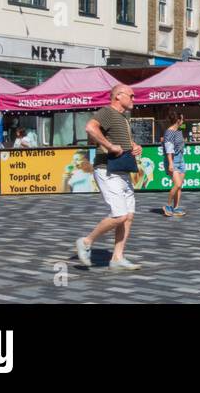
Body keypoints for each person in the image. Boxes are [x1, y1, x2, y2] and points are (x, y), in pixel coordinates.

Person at [75, 84, 142, 272]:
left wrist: (134, 146)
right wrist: (110, 146)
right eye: (132, 95)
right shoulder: (107, 111)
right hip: (107, 169)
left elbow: (123, 141)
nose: (134, 98)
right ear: (118, 96)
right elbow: (90, 128)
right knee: (119, 215)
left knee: (128, 216)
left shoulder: (122, 118)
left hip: (122, 170)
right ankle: (86, 241)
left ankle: (117, 258)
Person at [162, 113, 187, 217]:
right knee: (177, 184)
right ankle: (167, 205)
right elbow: (169, 150)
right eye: (182, 119)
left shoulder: (178, 131)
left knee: (179, 186)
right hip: (173, 160)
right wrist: (171, 164)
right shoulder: (169, 133)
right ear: (178, 120)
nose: (183, 120)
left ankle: (176, 208)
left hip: (181, 159)